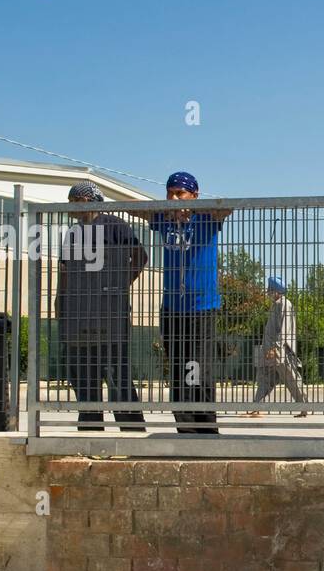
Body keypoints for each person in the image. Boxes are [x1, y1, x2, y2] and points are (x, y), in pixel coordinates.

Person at [138, 171, 232, 435]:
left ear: (194, 195)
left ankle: (206, 427)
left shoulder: (206, 219)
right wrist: (164, 209)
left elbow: (226, 209)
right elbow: (136, 211)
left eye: (180, 193)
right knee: (178, 368)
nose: (174, 198)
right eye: (170, 193)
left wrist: (194, 209)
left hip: (203, 308)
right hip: (172, 308)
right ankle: (185, 427)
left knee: (200, 368)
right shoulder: (164, 221)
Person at [56, 181, 147, 432]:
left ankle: (132, 432)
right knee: (83, 376)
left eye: (76, 201)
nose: (71, 206)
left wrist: (118, 283)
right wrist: (60, 302)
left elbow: (140, 255)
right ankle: (90, 431)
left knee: (117, 374)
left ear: (89, 200)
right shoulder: (72, 233)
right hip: (78, 315)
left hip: (110, 315)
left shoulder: (114, 225)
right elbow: (65, 270)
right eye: (70, 201)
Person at [250, 276, 308, 417]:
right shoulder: (276, 305)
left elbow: (284, 329)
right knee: (264, 379)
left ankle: (305, 407)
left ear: (276, 291)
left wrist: (275, 347)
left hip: (280, 352)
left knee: (291, 379)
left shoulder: (284, 304)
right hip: (270, 351)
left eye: (270, 290)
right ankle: (257, 407)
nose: (268, 293)